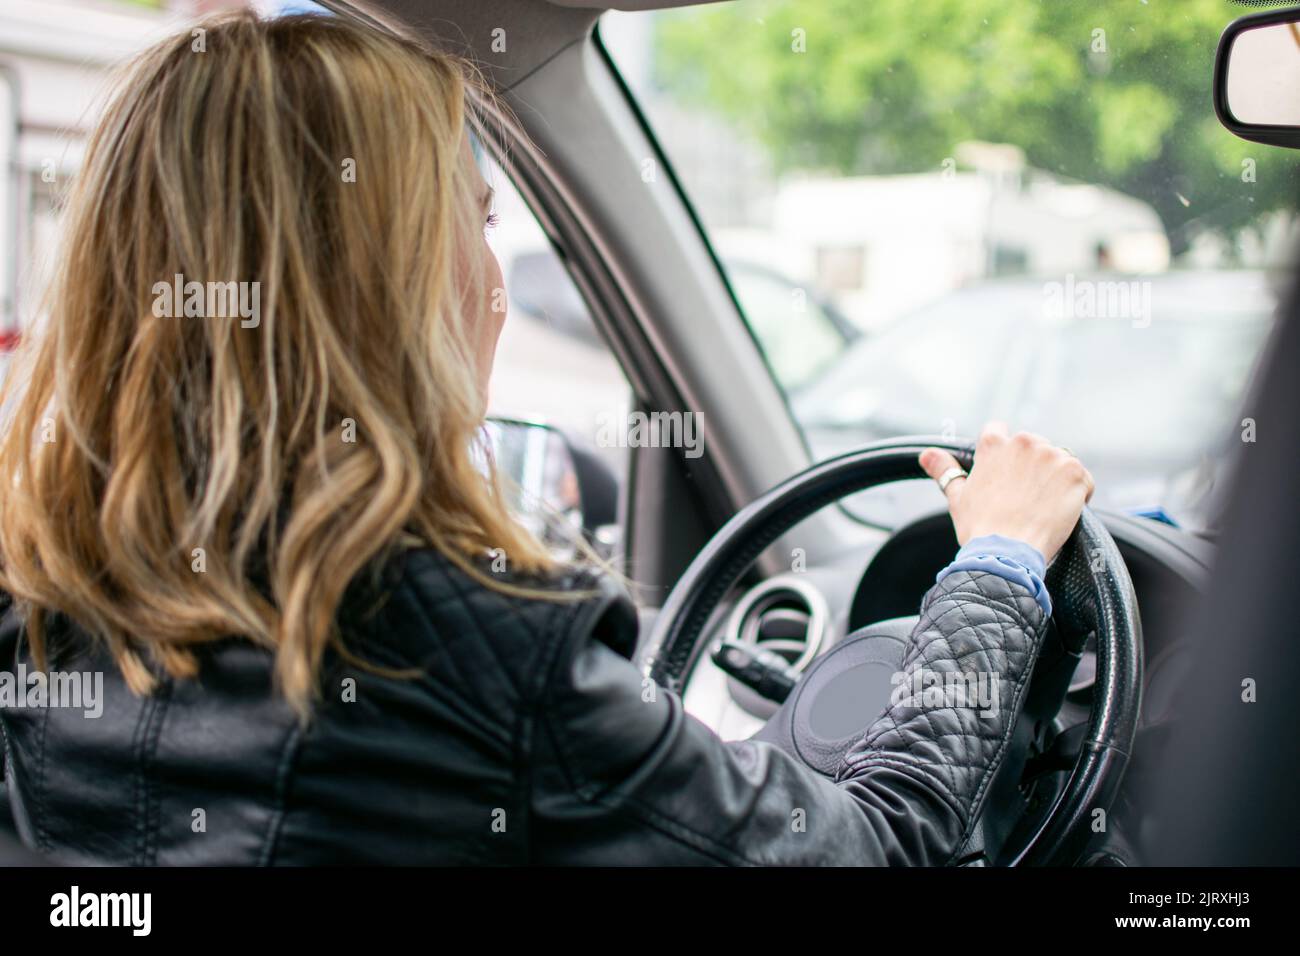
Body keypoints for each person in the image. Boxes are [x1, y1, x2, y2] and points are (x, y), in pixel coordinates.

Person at [0, 12, 1092, 865]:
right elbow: (872, 849)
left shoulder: (38, 603)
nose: (494, 285)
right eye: (473, 222)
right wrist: (995, 569)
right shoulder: (482, 641)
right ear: (383, 284)